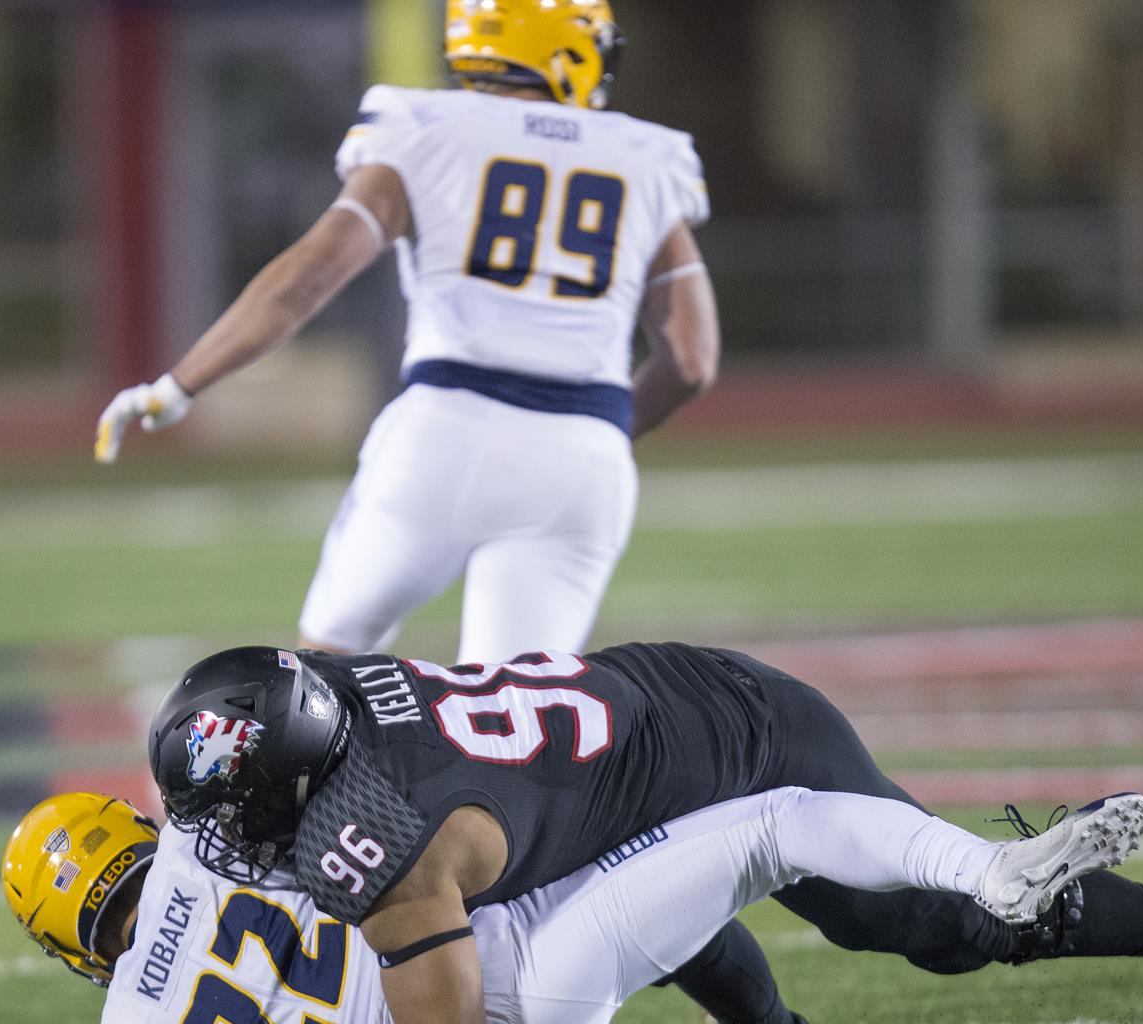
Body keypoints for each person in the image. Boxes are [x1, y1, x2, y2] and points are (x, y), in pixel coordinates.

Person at [148, 645, 1143, 1024]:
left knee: (932, 929)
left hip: (735, 747)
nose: (226, 840)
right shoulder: (331, 688)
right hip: (662, 705)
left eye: (239, 809)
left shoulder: (374, 844)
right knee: (616, 902)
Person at [92, 0, 717, 666]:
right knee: (511, 720)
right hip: (582, 455)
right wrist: (593, 435)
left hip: (445, 432)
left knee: (325, 675)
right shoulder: (647, 155)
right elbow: (691, 361)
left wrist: (181, 384)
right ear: (568, 49)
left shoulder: (423, 125)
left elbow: (309, 275)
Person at [2, 788, 1130, 1024]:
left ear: (67, 943)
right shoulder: (208, 835)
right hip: (502, 967)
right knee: (767, 823)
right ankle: (986, 869)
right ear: (132, 830)